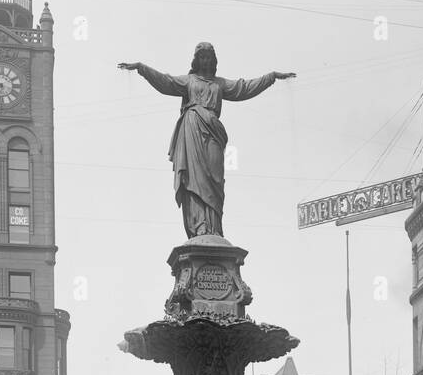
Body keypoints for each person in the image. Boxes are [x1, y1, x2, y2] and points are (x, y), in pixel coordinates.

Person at [119, 44, 295, 240]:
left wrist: (270, 77)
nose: (206, 61)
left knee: (215, 179)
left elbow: (243, 88)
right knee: (194, 179)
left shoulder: (219, 83)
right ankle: (200, 227)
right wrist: (142, 68)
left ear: (214, 61)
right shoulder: (189, 80)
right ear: (196, 60)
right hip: (192, 128)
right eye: (202, 57)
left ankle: (215, 229)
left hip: (213, 132)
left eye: (209, 57)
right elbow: (165, 82)